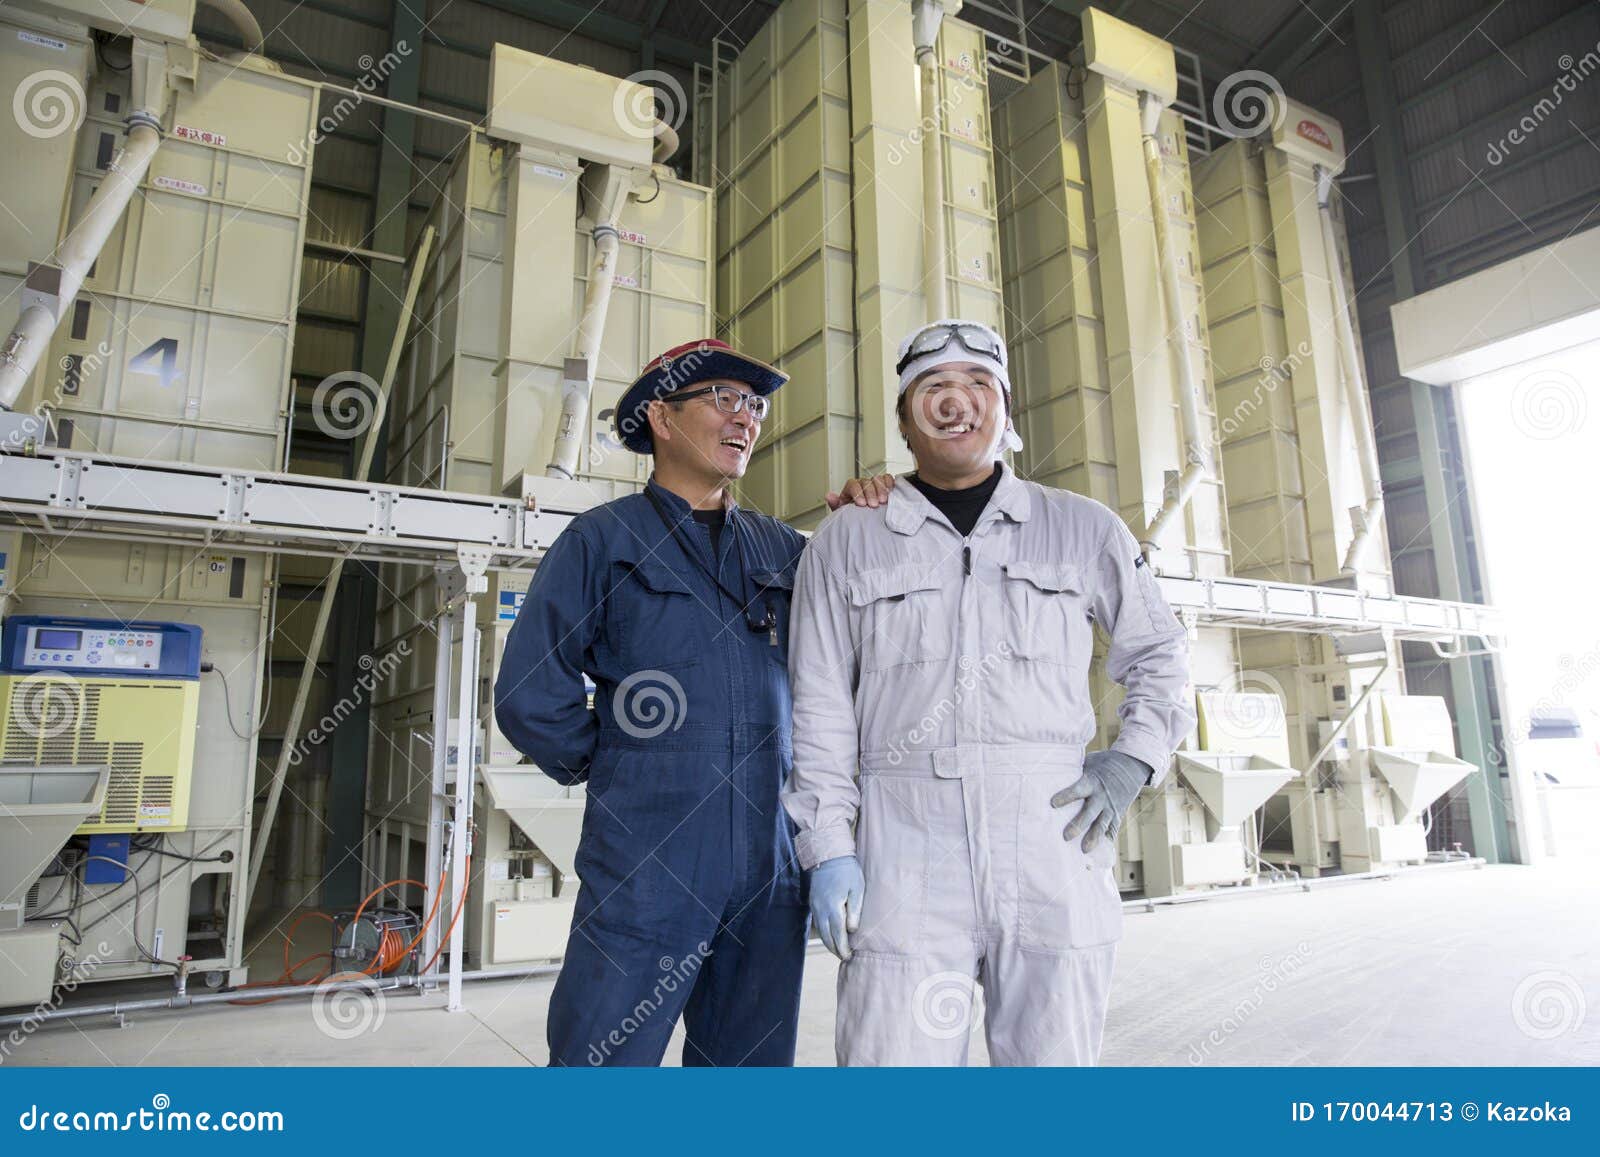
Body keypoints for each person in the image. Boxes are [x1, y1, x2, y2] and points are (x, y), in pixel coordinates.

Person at [783, 319, 1196, 1066]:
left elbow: (1160, 650)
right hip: (902, 853)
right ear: (906, 421)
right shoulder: (847, 540)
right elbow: (818, 711)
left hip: (1052, 843)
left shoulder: (1082, 529)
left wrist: (1133, 758)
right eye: (934, 387)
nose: (957, 401)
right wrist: (828, 847)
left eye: (978, 384)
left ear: (1007, 414)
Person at [494, 337, 886, 1066]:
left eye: (757, 404)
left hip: (772, 865)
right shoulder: (601, 542)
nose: (747, 418)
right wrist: (622, 764)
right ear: (661, 418)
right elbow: (528, 693)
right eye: (725, 398)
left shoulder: (788, 551)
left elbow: (857, 659)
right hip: (647, 863)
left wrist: (870, 517)